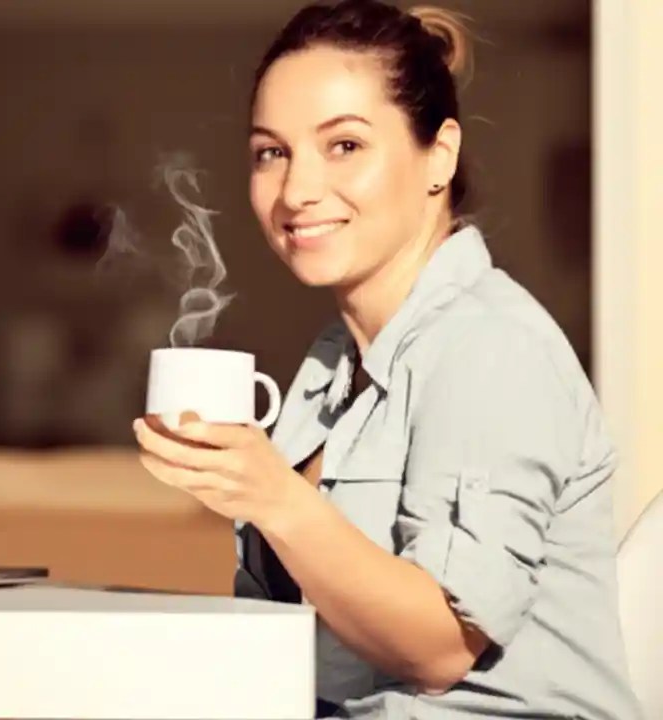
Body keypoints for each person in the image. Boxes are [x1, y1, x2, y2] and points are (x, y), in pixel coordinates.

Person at [131, 1, 643, 718]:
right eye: (271, 152)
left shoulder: (491, 348)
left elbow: (438, 648)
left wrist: (273, 495)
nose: (297, 191)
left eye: (344, 146)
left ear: (440, 155)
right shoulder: (329, 370)